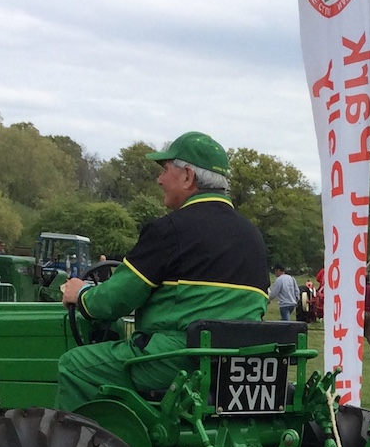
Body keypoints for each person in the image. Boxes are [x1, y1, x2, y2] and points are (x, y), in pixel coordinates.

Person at [55, 132, 269, 411]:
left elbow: (112, 301)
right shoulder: (253, 236)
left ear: (187, 176)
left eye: (165, 170)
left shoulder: (172, 229)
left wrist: (82, 294)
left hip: (177, 361)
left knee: (73, 365)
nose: (159, 180)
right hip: (237, 365)